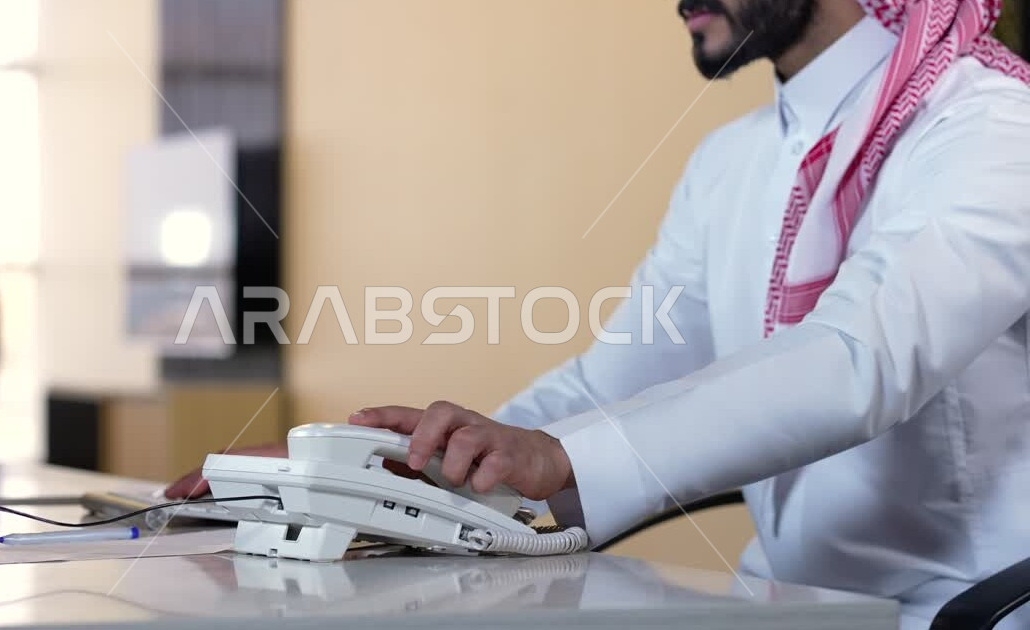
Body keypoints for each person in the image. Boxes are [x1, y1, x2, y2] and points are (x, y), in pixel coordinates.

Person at [169, 0, 1030, 625]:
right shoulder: (731, 161)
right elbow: (618, 377)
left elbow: (858, 358)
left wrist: (553, 456)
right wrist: (396, 469)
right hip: (788, 608)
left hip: (957, 611)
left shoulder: (992, 130)